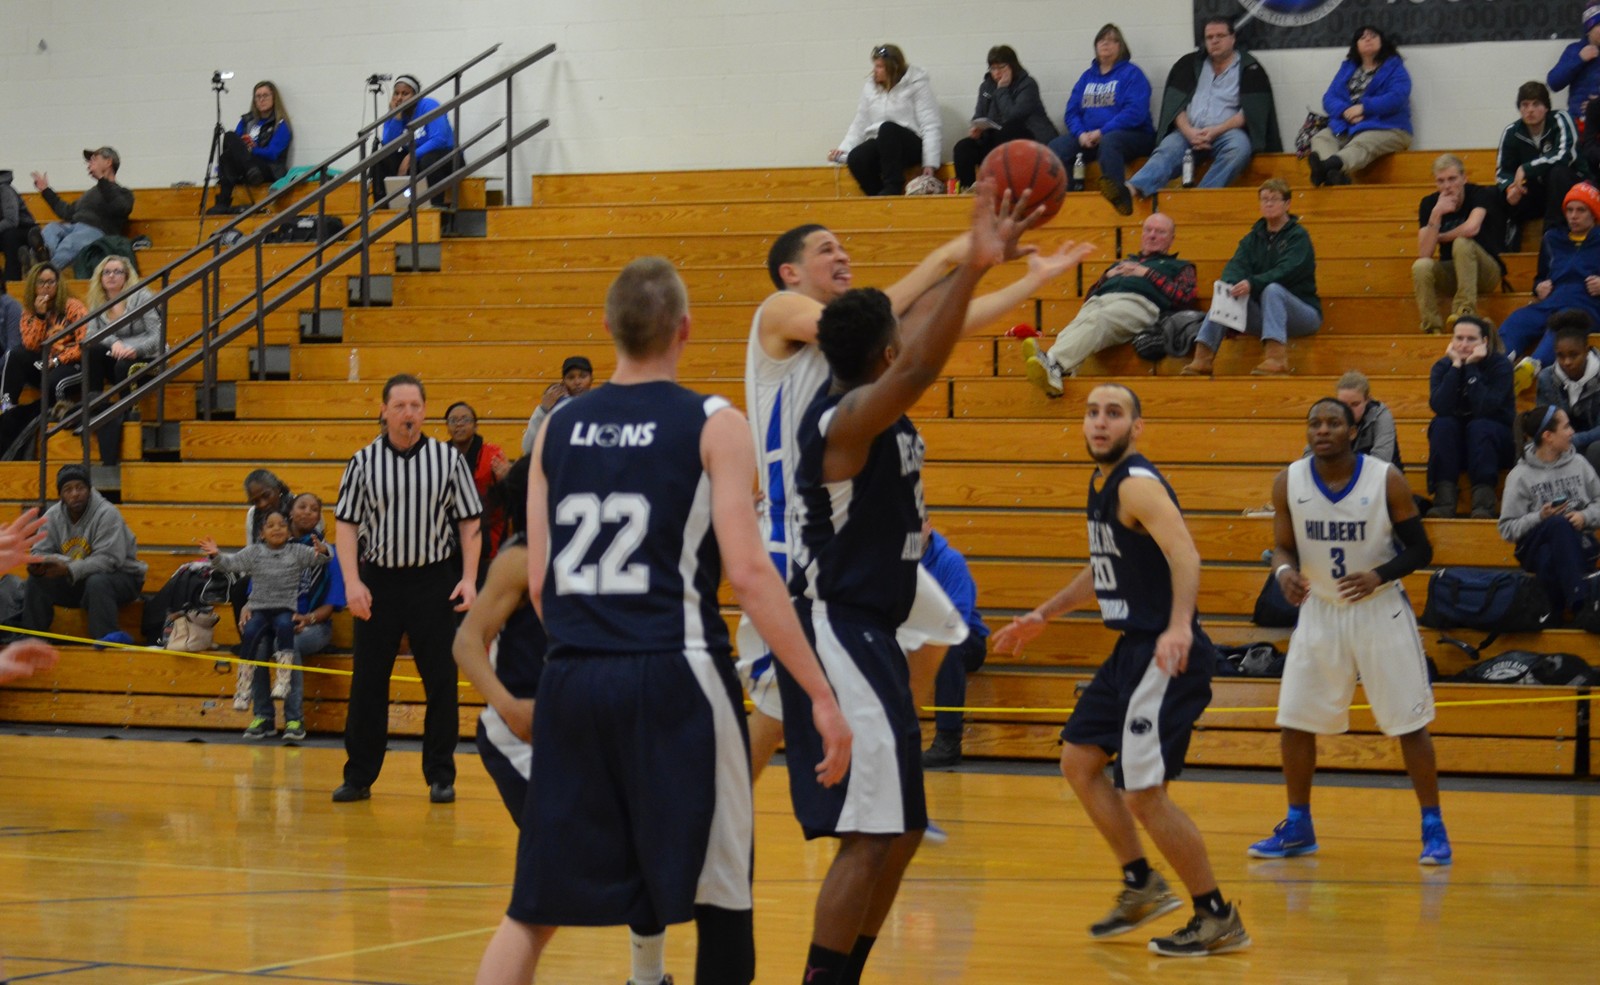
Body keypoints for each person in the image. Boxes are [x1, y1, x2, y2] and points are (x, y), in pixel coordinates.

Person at [471, 257, 851, 985]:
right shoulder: (715, 422)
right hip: (678, 673)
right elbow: (750, 574)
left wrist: (591, 642)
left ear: (608, 329)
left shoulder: (557, 428)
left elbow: (543, 583)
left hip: (573, 673)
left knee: (532, 910)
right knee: (722, 898)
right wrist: (820, 694)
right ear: (685, 329)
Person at [774, 183, 1026, 985]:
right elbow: (920, 362)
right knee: (872, 831)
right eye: (897, 339)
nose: (907, 343)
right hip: (836, 625)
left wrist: (998, 272)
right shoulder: (843, 420)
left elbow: (921, 338)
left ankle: (845, 970)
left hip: (873, 626)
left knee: (905, 827)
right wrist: (972, 263)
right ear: (885, 353)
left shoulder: (869, 396)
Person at [740, 219, 1089, 784]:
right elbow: (870, 321)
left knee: (936, 629)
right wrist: (950, 254)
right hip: (794, 533)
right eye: (826, 249)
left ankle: (883, 773)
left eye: (844, 244)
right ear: (791, 272)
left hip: (855, 531)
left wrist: (1030, 281)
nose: (842, 253)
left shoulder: (859, 340)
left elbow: (941, 326)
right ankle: (718, 812)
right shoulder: (779, 311)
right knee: (779, 703)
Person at [990, 383, 1249, 957]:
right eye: (1092, 413)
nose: (1100, 422)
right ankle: (1141, 883)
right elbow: (1103, 565)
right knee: (1079, 759)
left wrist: (1179, 626)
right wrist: (1044, 614)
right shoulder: (1103, 483)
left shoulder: (1136, 483)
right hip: (1131, 649)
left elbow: (1186, 554)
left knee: (1143, 794)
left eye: (1114, 413)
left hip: (1163, 653)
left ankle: (1216, 916)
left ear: (1137, 426)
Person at [453, 458, 678, 985]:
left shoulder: (596, 546)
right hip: (524, 738)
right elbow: (466, 642)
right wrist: (509, 706)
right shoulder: (520, 557)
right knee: (548, 892)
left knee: (642, 850)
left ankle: (648, 978)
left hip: (588, 733)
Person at [1252, 398, 1448, 866]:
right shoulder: (1288, 481)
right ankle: (1298, 825)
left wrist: (1379, 575)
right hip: (1320, 611)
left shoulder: (1386, 479)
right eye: (1314, 423)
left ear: (1352, 431)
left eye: (1333, 423)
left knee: (1409, 723)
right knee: (1295, 719)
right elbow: (1282, 547)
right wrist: (1284, 574)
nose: (1322, 430)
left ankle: (1433, 827)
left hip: (1379, 611)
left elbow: (1421, 550)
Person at [333, 373, 482, 804]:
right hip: (378, 581)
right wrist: (352, 582)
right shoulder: (362, 462)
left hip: (433, 580)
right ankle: (359, 776)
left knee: (441, 681)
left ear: (425, 411)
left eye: (415, 405)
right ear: (384, 411)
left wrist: (469, 578)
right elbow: (346, 526)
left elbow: (470, 521)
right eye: (399, 406)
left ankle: (441, 774)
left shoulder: (447, 459)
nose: (408, 413)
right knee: (368, 682)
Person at [1022, 213, 1196, 395]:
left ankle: (1054, 362)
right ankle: (1057, 374)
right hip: (1099, 301)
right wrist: (1107, 277)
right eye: (1148, 230)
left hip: (1140, 305)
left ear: (1171, 239)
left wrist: (1147, 274)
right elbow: (1089, 295)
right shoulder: (1121, 264)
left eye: (1160, 232)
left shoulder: (1180, 267)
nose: (1152, 235)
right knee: (1079, 322)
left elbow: (1185, 297)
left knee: (1100, 319)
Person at [198, 512, 330, 739]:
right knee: (250, 636)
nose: (276, 529)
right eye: (270, 525)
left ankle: (283, 682)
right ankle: (244, 691)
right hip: (260, 610)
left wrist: (323, 550)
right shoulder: (254, 552)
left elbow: (320, 559)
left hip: (284, 610)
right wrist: (215, 555)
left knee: (285, 633)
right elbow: (230, 564)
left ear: (288, 531)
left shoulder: (297, 551)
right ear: (261, 533)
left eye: (281, 525)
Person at [1127, 17, 1280, 198]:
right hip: (1188, 131)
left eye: (1220, 36)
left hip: (1226, 132)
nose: (1214, 41)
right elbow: (1175, 106)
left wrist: (1216, 131)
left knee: (1239, 149)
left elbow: (1250, 113)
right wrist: (1188, 131)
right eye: (1209, 37)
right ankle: (1133, 189)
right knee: (1167, 150)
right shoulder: (1187, 65)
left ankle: (1201, 196)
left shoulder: (1250, 68)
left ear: (1232, 38)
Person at [1182, 179, 1320, 377]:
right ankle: (1203, 357)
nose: (1269, 203)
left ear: (1287, 204)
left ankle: (1276, 359)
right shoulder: (1252, 238)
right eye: (1264, 199)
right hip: (1264, 315)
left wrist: (1252, 283)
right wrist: (1232, 284)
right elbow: (1235, 265)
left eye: (1274, 199)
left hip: (1302, 313)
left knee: (1273, 290)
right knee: (1226, 293)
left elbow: (1288, 270)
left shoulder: (1298, 237)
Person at [20, 463, 146, 645]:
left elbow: (109, 560)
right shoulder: (53, 515)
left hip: (124, 578)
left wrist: (67, 568)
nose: (75, 494)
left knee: (98, 581)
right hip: (80, 580)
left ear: (89, 489)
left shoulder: (107, 513)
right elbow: (40, 550)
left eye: (80, 487)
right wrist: (41, 565)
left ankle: (106, 640)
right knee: (36, 581)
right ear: (61, 495)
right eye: (68, 489)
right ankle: (32, 641)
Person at [1500, 404, 1600, 622]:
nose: (1572, 432)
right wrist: (1540, 516)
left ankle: (1551, 614)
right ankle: (1581, 604)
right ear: (1548, 436)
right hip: (1533, 546)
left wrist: (1585, 517)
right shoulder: (1520, 475)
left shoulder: (1580, 464)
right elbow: (1507, 529)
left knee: (1548, 556)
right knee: (1557, 524)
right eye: (1566, 427)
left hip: (1579, 544)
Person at [1498, 181, 1600, 384]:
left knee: (1563, 325)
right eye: (1569, 210)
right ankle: (1498, 364)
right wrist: (1539, 287)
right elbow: (1540, 277)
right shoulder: (1552, 239)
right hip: (1551, 302)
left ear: (1594, 214)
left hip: (1585, 306)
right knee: (1518, 319)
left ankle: (1531, 367)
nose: (1573, 216)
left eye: (1580, 210)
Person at [1049, 23, 1156, 217]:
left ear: (1121, 47)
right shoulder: (1086, 77)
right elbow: (1071, 112)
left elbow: (1135, 112)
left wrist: (1102, 131)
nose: (1106, 44)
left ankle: (1118, 199)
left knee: (1110, 141)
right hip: (1091, 137)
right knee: (1057, 147)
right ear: (1096, 45)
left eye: (1112, 40)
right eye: (1102, 40)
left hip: (1133, 135)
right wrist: (1080, 134)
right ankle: (1067, 202)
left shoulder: (1132, 74)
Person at [1425, 316, 1516, 519]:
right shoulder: (1442, 367)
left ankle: (1483, 504)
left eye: (1471, 339)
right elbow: (1440, 407)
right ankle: (1444, 502)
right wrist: (1456, 367)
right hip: (1458, 448)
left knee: (1480, 426)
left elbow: (1485, 408)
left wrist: (1472, 368)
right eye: (1459, 338)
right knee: (1442, 424)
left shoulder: (1500, 366)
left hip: (1495, 444)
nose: (1464, 344)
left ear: (1484, 341)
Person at [918, 521, 990, 770]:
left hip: (966, 640)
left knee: (947, 647)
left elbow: (958, 619)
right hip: (919, 639)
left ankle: (948, 741)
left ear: (928, 526)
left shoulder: (951, 561)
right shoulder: (895, 562)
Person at [829, 44, 943, 197]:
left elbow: (930, 124)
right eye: (875, 66)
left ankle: (893, 186)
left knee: (887, 129)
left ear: (893, 68)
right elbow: (860, 122)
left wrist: (930, 163)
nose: (875, 71)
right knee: (857, 157)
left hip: (910, 144)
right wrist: (844, 149)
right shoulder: (870, 88)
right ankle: (878, 196)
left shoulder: (917, 84)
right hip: (883, 143)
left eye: (879, 67)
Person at [1307, 25, 1412, 187]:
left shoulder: (1395, 67)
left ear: (1382, 42)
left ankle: (1328, 167)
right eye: (1362, 37)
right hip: (1348, 125)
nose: (1368, 39)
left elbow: (1396, 97)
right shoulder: (1347, 68)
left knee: (1362, 142)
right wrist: (1345, 111)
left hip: (1388, 127)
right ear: (1356, 45)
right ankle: (1333, 176)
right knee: (1321, 137)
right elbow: (1329, 98)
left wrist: (1364, 108)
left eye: (1373, 36)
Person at [1413, 153, 1506, 334]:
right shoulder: (1430, 204)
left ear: (1464, 178)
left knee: (1462, 242)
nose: (1447, 186)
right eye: (1441, 181)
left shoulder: (1479, 194)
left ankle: (1464, 311)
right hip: (1454, 271)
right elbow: (1424, 253)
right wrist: (1436, 214)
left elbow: (1472, 228)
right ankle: (1432, 326)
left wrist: (1439, 236)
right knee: (1420, 266)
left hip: (1486, 270)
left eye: (1452, 179)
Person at [82, 255, 162, 465]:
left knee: (123, 366)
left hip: (146, 357)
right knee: (93, 351)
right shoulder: (98, 301)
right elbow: (90, 335)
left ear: (126, 276)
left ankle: (128, 417)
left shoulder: (142, 296)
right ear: (100, 278)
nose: (111, 276)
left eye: (117, 272)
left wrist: (135, 349)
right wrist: (114, 342)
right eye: (106, 272)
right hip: (117, 355)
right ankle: (95, 404)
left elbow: (158, 336)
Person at [952, 45, 1056, 192]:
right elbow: (979, 114)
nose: (996, 73)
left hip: (1025, 140)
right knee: (963, 147)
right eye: (993, 68)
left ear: (1012, 66)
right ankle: (967, 191)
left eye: (1001, 67)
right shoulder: (986, 86)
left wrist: (1002, 89)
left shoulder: (1027, 84)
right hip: (995, 140)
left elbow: (1012, 116)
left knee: (1008, 130)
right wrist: (977, 128)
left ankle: (1005, 190)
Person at [1495, 81, 1583, 251]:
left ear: (1546, 107)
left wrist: (1526, 168)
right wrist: (1510, 187)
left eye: (1536, 104)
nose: (1530, 110)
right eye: (1525, 105)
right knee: (1494, 193)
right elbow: (1503, 171)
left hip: (1572, 187)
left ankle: (1552, 234)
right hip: (1539, 192)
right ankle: (1506, 240)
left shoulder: (1561, 119)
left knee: (1558, 173)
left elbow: (1564, 155)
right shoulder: (1512, 132)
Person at [27, 148, 134, 269]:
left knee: (70, 242)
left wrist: (102, 179)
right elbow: (67, 212)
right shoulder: (90, 193)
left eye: (94, 159)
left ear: (108, 162)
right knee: (51, 228)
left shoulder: (123, 193)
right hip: (73, 227)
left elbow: (121, 207)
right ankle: (42, 255)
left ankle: (44, 270)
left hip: (97, 232)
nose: (89, 164)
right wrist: (46, 190)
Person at [1, 262, 86, 411]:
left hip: (70, 364)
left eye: (51, 282)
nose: (46, 286)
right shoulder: (30, 311)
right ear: (33, 285)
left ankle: (55, 417)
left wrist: (58, 360)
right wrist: (40, 317)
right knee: (15, 355)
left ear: (58, 284)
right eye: (41, 282)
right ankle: (6, 406)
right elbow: (31, 345)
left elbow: (85, 343)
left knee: (53, 382)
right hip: (45, 361)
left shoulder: (73, 307)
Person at [444, 400, 511, 576]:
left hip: (486, 532)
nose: (459, 424)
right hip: (449, 534)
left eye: (465, 419)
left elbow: (508, 494)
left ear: (475, 426)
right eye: (453, 420)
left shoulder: (492, 454)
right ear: (447, 427)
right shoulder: (440, 456)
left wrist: (506, 479)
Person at [208, 80, 293, 214]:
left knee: (229, 155)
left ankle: (223, 202)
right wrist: (244, 148)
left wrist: (252, 149)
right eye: (258, 96)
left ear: (274, 98)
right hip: (250, 171)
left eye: (265, 95)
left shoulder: (281, 125)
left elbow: (273, 153)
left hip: (269, 168)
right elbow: (233, 146)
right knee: (229, 139)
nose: (261, 99)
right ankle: (225, 200)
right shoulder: (246, 121)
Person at [374, 75, 458, 207]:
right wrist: (397, 116)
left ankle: (435, 209)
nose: (399, 98)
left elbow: (439, 139)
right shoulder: (395, 113)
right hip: (417, 160)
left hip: (447, 156)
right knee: (381, 159)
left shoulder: (428, 105)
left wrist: (411, 156)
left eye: (405, 94)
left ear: (416, 96)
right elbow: (388, 145)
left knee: (428, 160)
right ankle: (383, 209)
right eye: (396, 93)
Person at [1536, 310, 1600, 474]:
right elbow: (1545, 422)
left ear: (1586, 350)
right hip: (1563, 445)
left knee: (1596, 450)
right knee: (1535, 449)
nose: (1567, 362)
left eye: (1574, 355)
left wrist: (1571, 440)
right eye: (1560, 356)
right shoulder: (1546, 378)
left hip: (1592, 444)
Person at [520, 355, 593, 454]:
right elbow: (528, 448)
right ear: (563, 383)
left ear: (591, 379)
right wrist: (543, 410)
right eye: (571, 377)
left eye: (583, 376)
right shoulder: (553, 411)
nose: (577, 382)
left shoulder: (601, 407)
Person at [1332, 369, 1403, 470]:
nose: (1348, 410)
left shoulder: (1380, 415)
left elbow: (1381, 461)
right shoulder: (1330, 416)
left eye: (1355, 404)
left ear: (1367, 400)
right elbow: (1311, 456)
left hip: (1383, 477)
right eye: (1342, 404)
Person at [1547, 6, 1600, 120]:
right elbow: (1553, 83)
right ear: (1588, 30)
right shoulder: (1574, 50)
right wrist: (1580, 59)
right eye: (1598, 25)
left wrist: (1596, 105)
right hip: (1579, 121)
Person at [0, 169, 39, 281]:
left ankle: (11, 281)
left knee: (10, 237)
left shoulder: (5, 190)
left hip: (25, 230)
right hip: (6, 231)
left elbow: (11, 220)